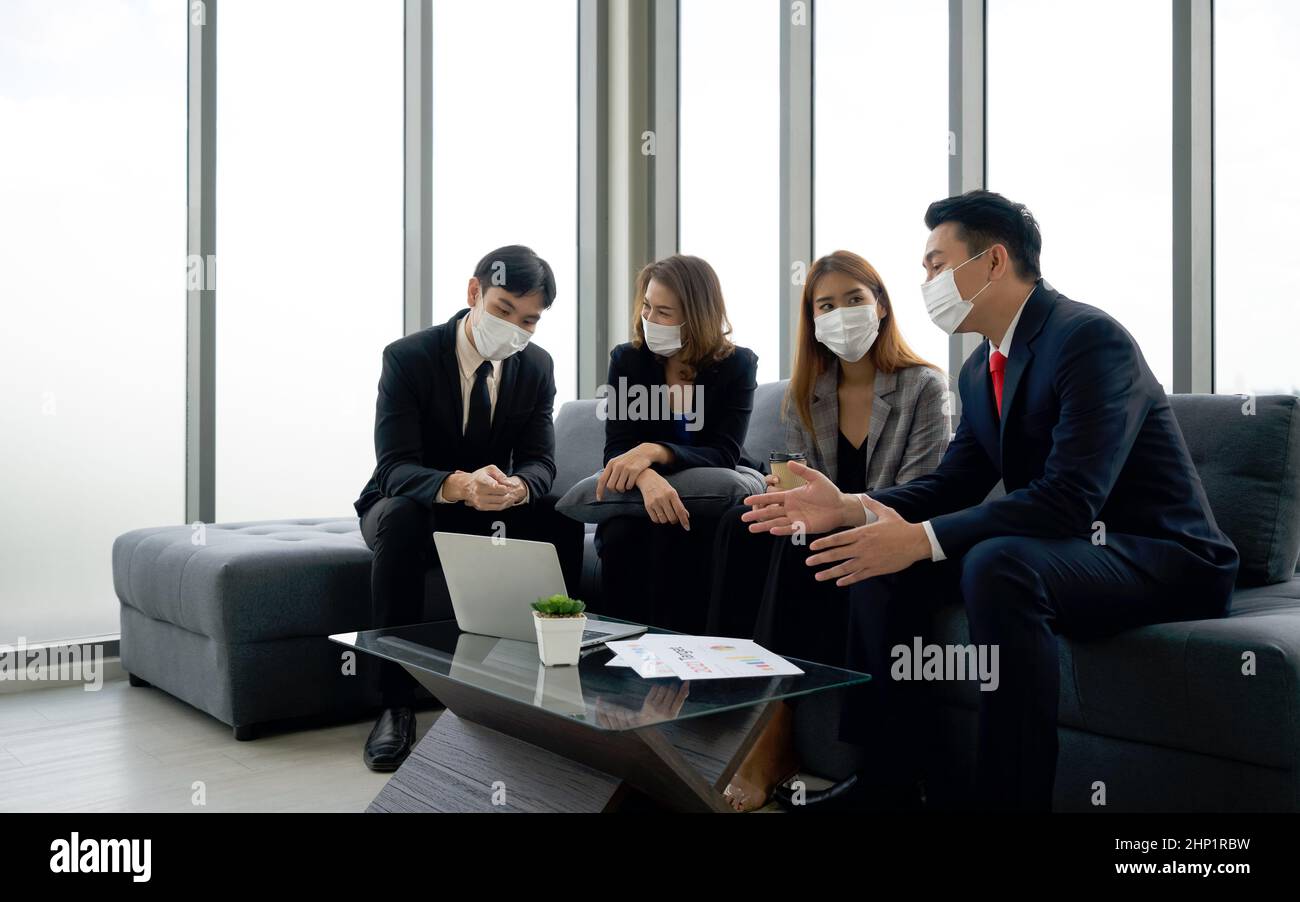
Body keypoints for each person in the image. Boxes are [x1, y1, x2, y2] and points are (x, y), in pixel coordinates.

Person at [742, 190, 1240, 812]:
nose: (925, 281)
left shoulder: (1088, 338)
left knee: (996, 562)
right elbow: (951, 484)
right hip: (1070, 550)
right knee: (878, 558)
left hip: (1164, 556)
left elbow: (1068, 499)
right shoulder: (982, 370)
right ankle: (890, 782)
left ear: (993, 261)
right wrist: (851, 507)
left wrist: (921, 538)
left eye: (934, 263)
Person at [709, 250, 951, 811]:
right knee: (740, 525)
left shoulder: (923, 387)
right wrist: (781, 498)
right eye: (825, 305)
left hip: (892, 534)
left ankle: (774, 738)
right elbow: (801, 483)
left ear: (881, 306)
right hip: (820, 533)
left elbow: (922, 493)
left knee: (803, 546)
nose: (840, 314)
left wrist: (836, 509)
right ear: (811, 319)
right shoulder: (808, 392)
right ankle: (718, 698)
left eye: (853, 300)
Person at [352, 245, 584, 773]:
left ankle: (552, 685)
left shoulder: (536, 366)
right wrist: (457, 486)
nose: (514, 329)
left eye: (529, 320)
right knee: (403, 519)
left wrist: (522, 488)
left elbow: (541, 461)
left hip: (491, 503)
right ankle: (394, 705)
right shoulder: (408, 357)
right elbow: (394, 467)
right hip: (415, 501)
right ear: (474, 292)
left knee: (559, 515)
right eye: (503, 310)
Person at [592, 254, 759, 634]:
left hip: (707, 496)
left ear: (697, 315)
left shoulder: (738, 365)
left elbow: (724, 451)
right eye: (647, 306)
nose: (650, 319)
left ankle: (689, 669)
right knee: (622, 537)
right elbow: (617, 448)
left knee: (686, 536)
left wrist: (652, 451)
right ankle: (620, 665)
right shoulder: (629, 360)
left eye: (664, 312)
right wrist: (647, 479)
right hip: (641, 497)